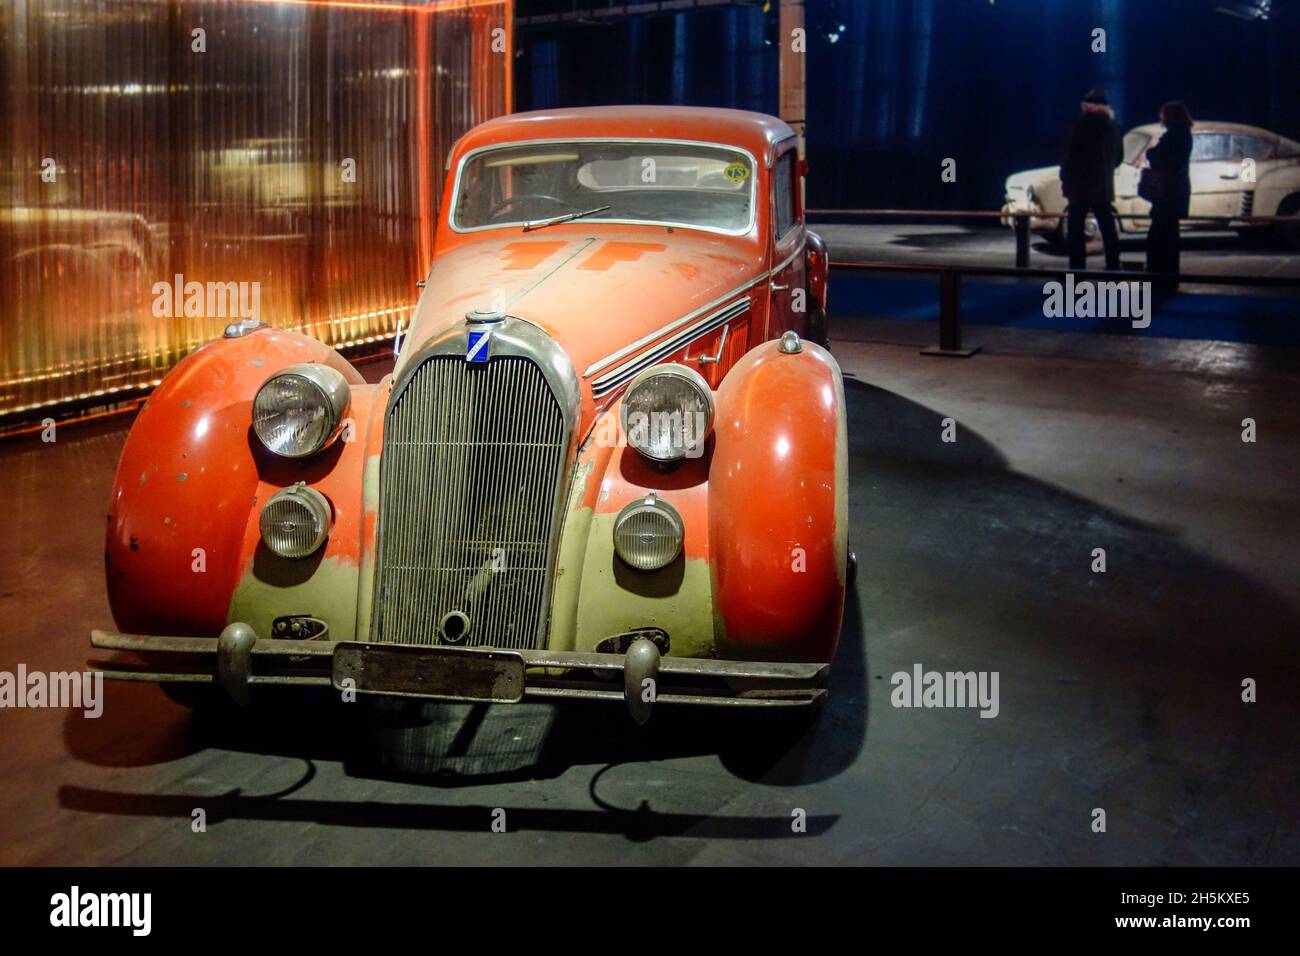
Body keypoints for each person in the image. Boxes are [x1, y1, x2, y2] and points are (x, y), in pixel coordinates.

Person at [1060, 87, 1124, 270]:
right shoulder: (1114, 126)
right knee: (1107, 227)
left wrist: (1066, 179)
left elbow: (1068, 155)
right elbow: (1119, 157)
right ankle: (1113, 265)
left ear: (1088, 105)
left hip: (1079, 185)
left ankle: (1077, 267)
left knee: (1075, 230)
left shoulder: (1078, 124)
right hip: (1103, 185)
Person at [1144, 101, 1194, 288]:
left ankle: (1158, 275)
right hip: (1176, 190)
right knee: (1170, 234)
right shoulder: (1184, 134)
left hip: (1167, 190)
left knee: (1159, 235)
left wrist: (1151, 151)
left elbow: (1157, 156)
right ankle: (1169, 276)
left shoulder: (1173, 136)